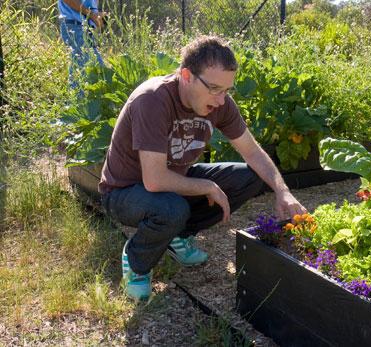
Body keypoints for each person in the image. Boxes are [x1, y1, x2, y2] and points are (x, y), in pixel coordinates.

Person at [99, 36, 307, 301]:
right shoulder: (152, 99)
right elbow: (153, 180)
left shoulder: (219, 105)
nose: (221, 101)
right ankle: (137, 261)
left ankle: (178, 236)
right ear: (186, 75)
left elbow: (253, 152)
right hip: (124, 192)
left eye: (227, 91)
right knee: (172, 208)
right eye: (214, 89)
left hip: (171, 182)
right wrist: (206, 186)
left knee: (249, 177)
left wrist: (282, 190)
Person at [58, 0, 105, 89]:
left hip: (84, 27)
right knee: (97, 71)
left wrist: (97, 18)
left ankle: (78, 100)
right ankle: (76, 101)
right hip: (74, 26)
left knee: (91, 71)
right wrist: (92, 15)